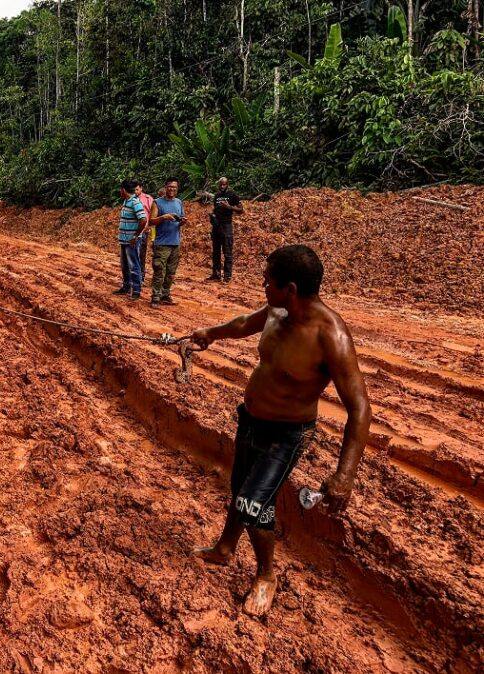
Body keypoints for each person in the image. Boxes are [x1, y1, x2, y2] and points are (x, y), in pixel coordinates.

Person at [190, 245, 370, 617]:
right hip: (251, 419)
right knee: (240, 488)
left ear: (289, 287)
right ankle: (225, 548)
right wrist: (211, 333)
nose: (262, 286)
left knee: (253, 504)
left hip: (286, 435)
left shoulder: (329, 336)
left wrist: (345, 475)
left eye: (267, 281)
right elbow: (244, 323)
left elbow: (360, 408)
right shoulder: (277, 311)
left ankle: (266, 576)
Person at [148, 177, 184, 308]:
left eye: (174, 187)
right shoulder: (157, 203)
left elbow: (180, 221)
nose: (172, 189)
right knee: (159, 270)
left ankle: (166, 294)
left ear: (177, 188)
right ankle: (155, 297)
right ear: (165, 187)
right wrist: (163, 217)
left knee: (171, 272)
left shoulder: (179, 202)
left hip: (175, 242)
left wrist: (183, 221)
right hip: (162, 243)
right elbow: (151, 221)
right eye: (170, 187)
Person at [113, 179, 148, 300]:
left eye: (120, 189)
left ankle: (136, 291)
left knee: (134, 265)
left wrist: (135, 236)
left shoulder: (135, 202)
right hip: (124, 239)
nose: (120, 191)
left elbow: (143, 220)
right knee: (125, 265)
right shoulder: (126, 201)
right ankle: (126, 286)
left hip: (131, 240)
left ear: (123, 190)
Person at [208, 177, 242, 283]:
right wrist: (212, 215)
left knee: (227, 251)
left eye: (224, 184)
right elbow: (216, 209)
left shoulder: (232, 195)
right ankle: (216, 274)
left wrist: (229, 207)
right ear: (219, 185)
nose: (222, 186)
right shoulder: (217, 196)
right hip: (216, 226)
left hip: (226, 226)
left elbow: (241, 210)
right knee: (216, 252)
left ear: (227, 184)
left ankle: (227, 276)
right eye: (221, 185)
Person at [135, 181, 155, 284]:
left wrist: (149, 227)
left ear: (141, 188)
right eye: (134, 189)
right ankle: (134, 276)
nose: (135, 191)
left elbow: (153, 213)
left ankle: (141, 276)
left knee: (142, 254)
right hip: (133, 231)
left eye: (137, 189)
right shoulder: (131, 199)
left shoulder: (148, 199)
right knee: (134, 254)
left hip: (144, 231)